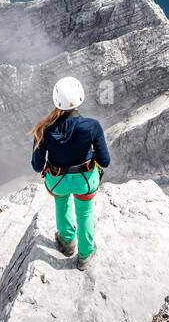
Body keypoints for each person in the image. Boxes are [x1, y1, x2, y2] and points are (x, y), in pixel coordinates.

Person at [30, 77, 110, 270]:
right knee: (85, 211)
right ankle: (85, 254)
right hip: (84, 180)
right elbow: (105, 161)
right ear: (81, 97)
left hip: (57, 182)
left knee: (62, 201)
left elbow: (37, 166)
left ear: (55, 99)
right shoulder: (92, 126)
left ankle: (67, 241)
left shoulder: (43, 129)